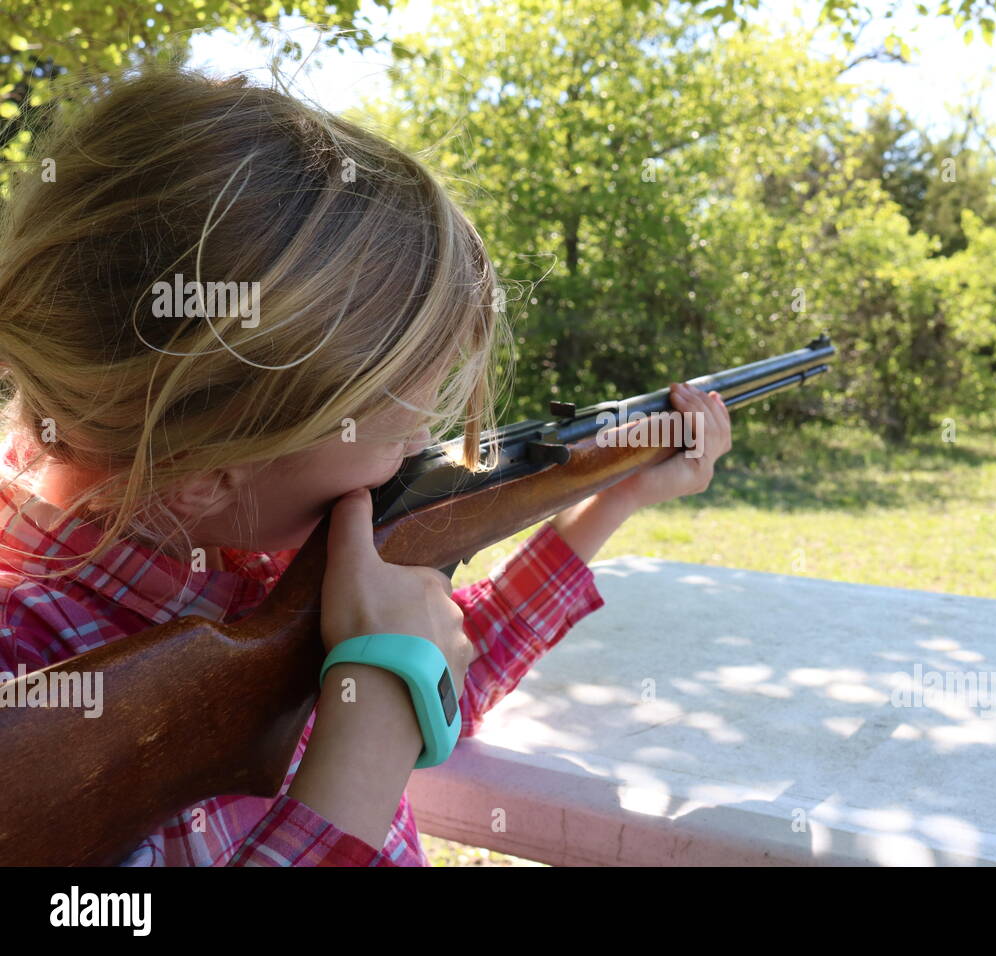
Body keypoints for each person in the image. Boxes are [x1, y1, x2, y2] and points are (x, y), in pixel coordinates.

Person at [0, 67, 731, 866]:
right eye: (400, 433)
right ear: (208, 468)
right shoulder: (34, 692)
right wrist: (373, 716)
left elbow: (424, 676)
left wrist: (610, 498)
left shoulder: (237, 581)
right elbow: (374, 711)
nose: (419, 455)